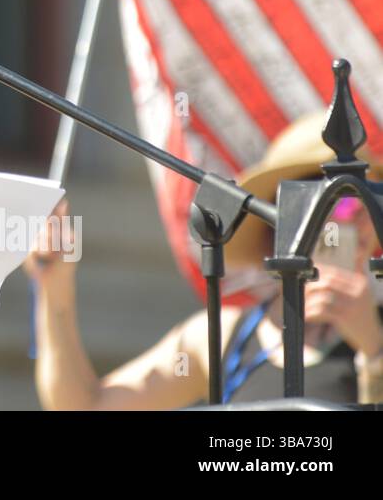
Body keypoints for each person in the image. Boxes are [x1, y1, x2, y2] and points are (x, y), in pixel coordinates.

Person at [25, 112, 383, 409]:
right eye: (335, 200)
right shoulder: (225, 335)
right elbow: (85, 405)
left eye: (363, 199)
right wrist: (55, 289)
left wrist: (374, 351)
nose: (356, 218)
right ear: (280, 219)